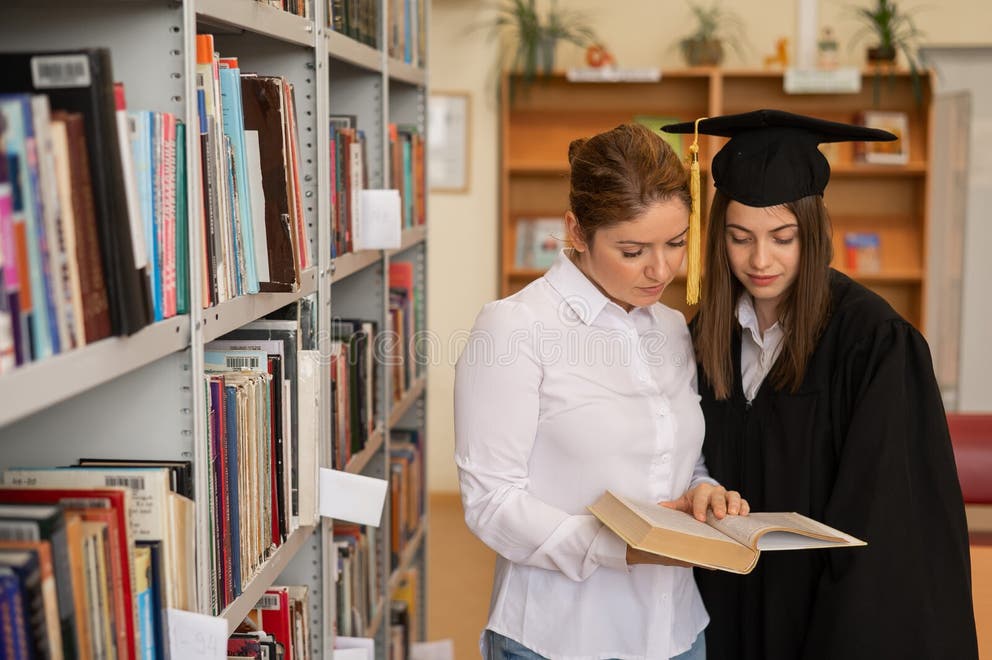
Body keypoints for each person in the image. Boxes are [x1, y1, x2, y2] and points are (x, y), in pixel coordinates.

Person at [663, 109, 979, 660]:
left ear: (813, 229)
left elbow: (886, 529)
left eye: (783, 238)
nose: (761, 261)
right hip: (721, 615)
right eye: (740, 238)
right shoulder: (703, 336)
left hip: (828, 622)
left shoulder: (874, 343)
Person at [454, 123, 746, 660]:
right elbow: (490, 502)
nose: (661, 269)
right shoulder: (515, 327)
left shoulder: (671, 327)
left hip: (676, 632)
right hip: (559, 638)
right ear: (576, 231)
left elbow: (678, 459)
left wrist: (703, 490)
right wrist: (621, 547)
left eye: (677, 243)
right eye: (633, 250)